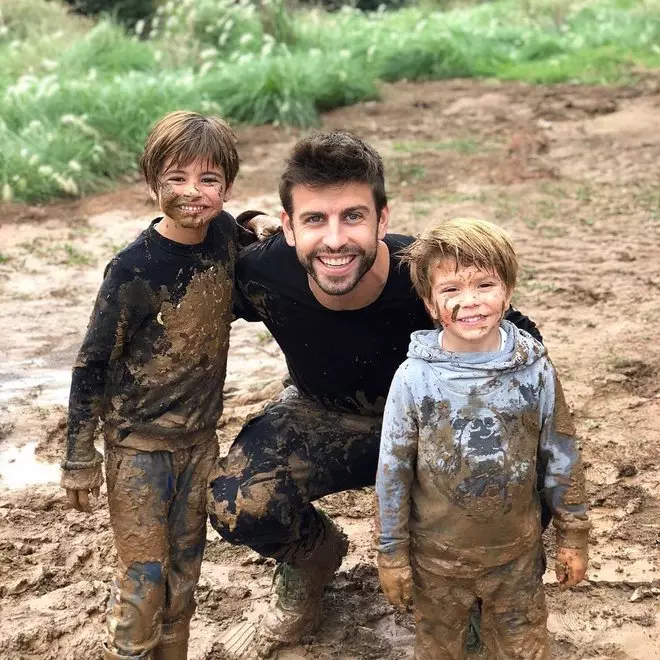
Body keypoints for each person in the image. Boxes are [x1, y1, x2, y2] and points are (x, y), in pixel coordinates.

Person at [209, 131, 545, 657]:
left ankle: (474, 594)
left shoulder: (425, 275)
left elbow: (522, 339)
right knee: (237, 503)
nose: (335, 239)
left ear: (382, 221)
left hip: (429, 430)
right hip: (322, 414)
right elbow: (188, 283)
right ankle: (313, 559)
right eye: (315, 219)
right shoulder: (263, 272)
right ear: (290, 226)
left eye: (353, 216)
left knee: (517, 474)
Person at [60, 110, 262, 660]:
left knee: (185, 574)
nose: (192, 193)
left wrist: (259, 219)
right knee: (145, 578)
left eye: (209, 180)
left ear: (225, 185)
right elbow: (92, 365)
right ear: (153, 182)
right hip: (138, 452)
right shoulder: (132, 269)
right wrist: (79, 457)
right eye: (176, 179)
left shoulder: (222, 234)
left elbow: (243, 228)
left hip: (198, 445)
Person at [375, 217, 591, 659]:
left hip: (516, 559)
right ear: (431, 303)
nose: (469, 301)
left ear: (507, 292)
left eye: (484, 285)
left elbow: (562, 456)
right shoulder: (414, 378)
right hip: (436, 563)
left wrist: (574, 537)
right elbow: (392, 470)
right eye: (451, 289)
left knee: (524, 649)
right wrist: (391, 555)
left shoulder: (536, 371)